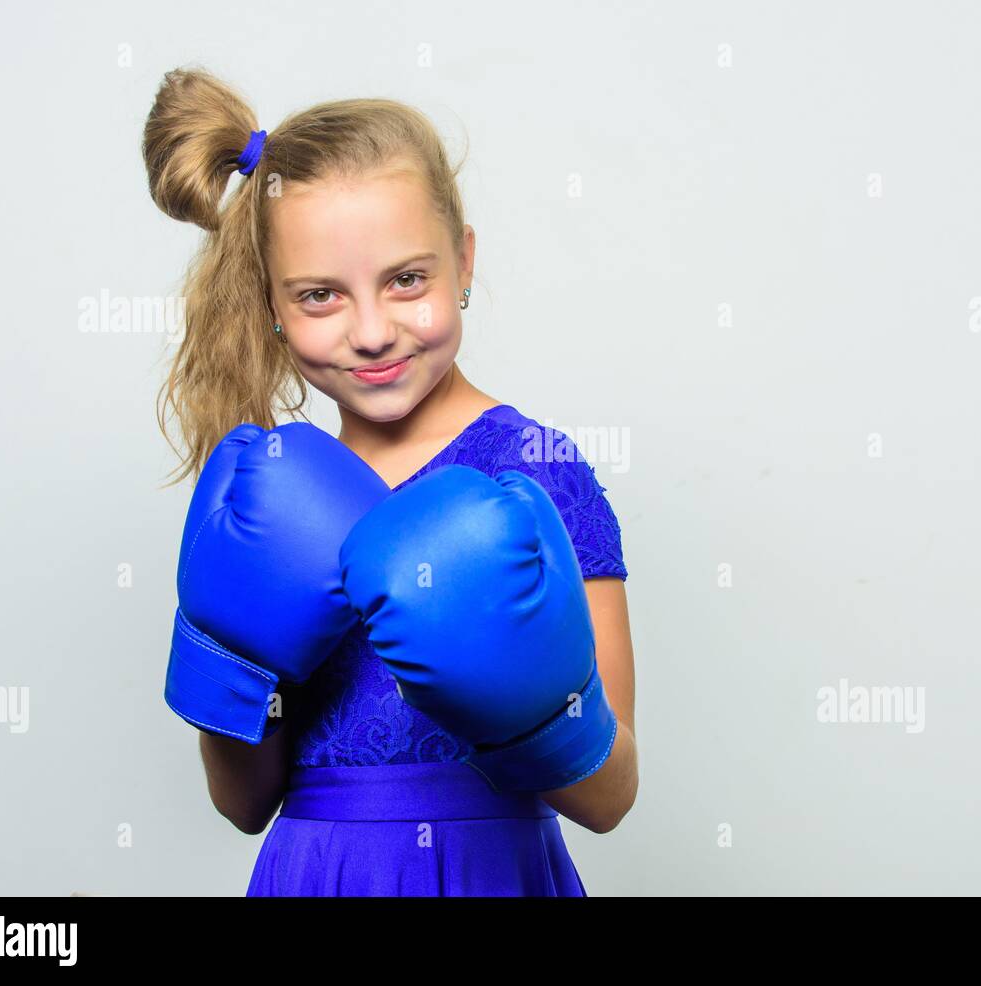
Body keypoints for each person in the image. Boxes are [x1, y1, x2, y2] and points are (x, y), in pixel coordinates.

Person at [142, 67, 638, 896]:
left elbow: (611, 796)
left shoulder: (541, 471)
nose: (372, 332)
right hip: (315, 872)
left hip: (491, 874)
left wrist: (523, 701)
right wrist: (230, 656)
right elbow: (241, 803)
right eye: (320, 296)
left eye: (407, 279)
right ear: (270, 300)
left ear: (464, 261)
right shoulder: (267, 494)